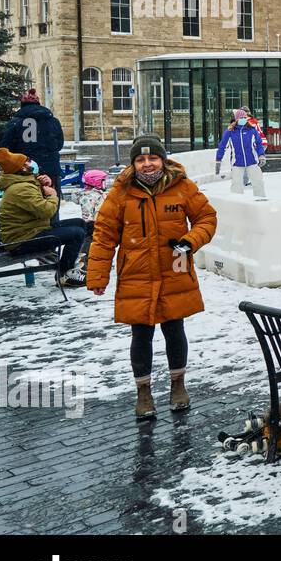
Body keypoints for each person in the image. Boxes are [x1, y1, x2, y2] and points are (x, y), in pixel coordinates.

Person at [86, 136, 218, 420]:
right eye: (140, 160)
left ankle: (178, 385)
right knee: (141, 334)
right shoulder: (121, 192)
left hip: (174, 268)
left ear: (162, 159)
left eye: (152, 158)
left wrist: (190, 241)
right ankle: (143, 392)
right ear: (134, 164)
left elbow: (207, 218)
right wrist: (97, 276)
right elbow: (104, 234)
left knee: (174, 329)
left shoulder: (182, 186)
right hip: (136, 272)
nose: (147, 165)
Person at [0, 147, 86, 286]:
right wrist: (53, 195)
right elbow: (46, 211)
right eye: (28, 161)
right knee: (76, 233)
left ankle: (69, 265)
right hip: (21, 241)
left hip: (31, 230)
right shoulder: (20, 188)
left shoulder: (22, 183)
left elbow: (34, 204)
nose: (32, 163)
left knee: (79, 223)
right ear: (22, 169)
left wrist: (46, 185)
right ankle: (64, 273)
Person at [0, 88, 65, 197]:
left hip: (24, 170)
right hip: (50, 169)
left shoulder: (15, 123)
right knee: (51, 202)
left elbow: (6, 147)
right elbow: (59, 145)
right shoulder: (52, 121)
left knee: (28, 205)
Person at [216, 108, 267, 197]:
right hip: (237, 163)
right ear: (236, 119)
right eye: (241, 118)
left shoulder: (252, 130)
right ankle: (237, 205)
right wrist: (218, 160)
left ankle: (260, 203)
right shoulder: (230, 132)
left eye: (245, 117)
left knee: (258, 183)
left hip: (252, 162)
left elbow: (259, 144)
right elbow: (222, 146)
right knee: (237, 186)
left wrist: (261, 155)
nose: (243, 119)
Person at [75, 168, 109, 261]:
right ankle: (85, 260)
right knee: (89, 242)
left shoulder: (96, 194)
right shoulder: (90, 197)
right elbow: (90, 211)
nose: (105, 183)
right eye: (103, 181)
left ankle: (95, 257)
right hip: (92, 223)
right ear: (96, 182)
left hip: (96, 223)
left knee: (96, 242)